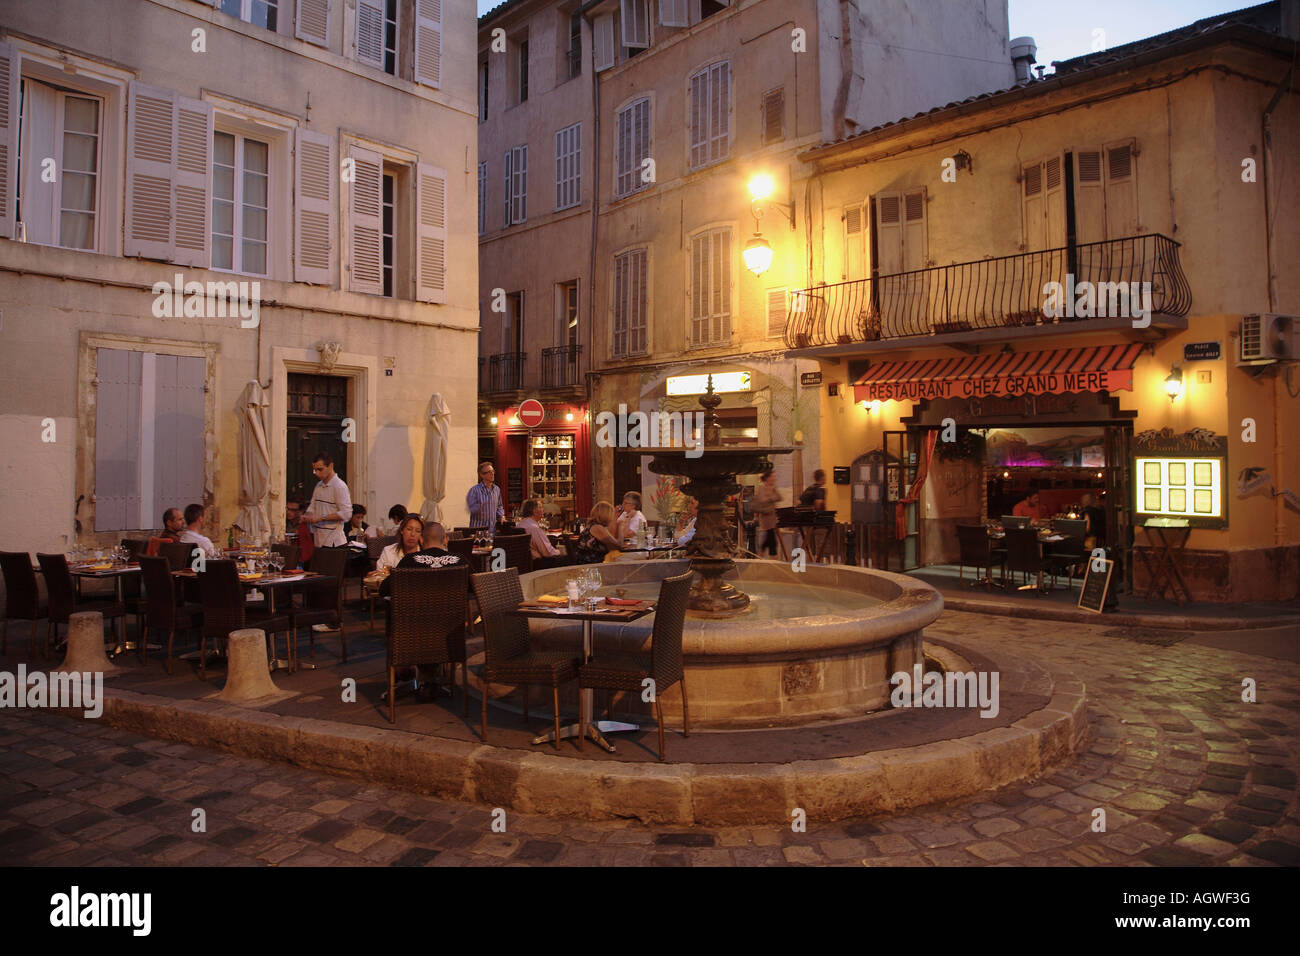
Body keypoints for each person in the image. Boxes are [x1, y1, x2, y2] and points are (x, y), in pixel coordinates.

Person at [304, 452, 353, 549]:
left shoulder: (339, 486)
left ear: (330, 466)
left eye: (320, 469)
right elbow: (312, 507)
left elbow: (346, 514)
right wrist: (308, 516)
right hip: (318, 541)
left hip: (334, 542)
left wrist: (321, 517)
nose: (317, 473)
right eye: (315, 470)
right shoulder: (318, 486)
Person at [466, 462, 504, 530]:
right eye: (489, 472)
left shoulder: (496, 489)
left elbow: (499, 506)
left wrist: (501, 516)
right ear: (482, 475)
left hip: (492, 530)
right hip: (478, 530)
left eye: (493, 471)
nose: (492, 474)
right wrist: (481, 504)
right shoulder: (474, 490)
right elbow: (471, 509)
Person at [752, 471, 782, 556]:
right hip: (766, 516)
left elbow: (779, 497)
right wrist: (771, 498)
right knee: (771, 537)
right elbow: (763, 500)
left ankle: (761, 553)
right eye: (772, 477)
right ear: (768, 478)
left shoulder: (772, 488)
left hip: (772, 516)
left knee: (770, 537)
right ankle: (771, 555)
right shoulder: (762, 488)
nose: (774, 479)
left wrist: (770, 497)